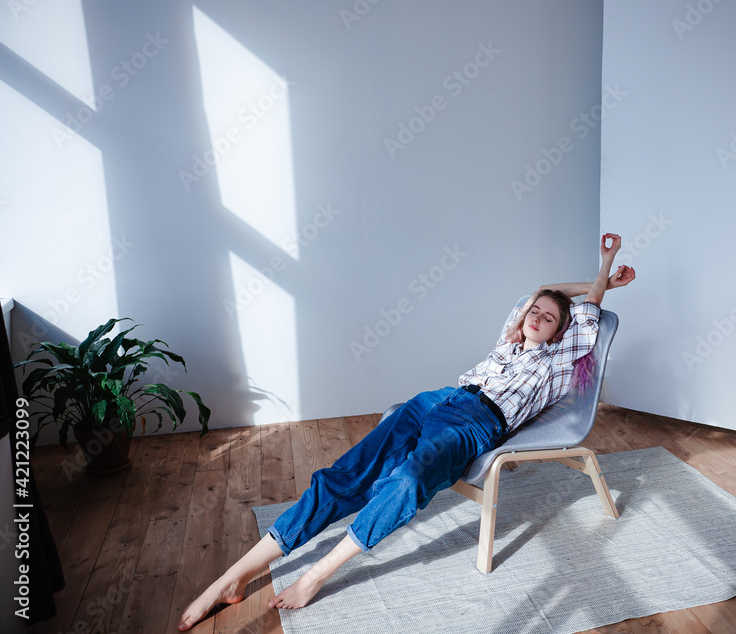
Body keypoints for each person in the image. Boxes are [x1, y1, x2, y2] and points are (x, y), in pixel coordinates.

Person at [178, 233, 636, 630]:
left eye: (548, 317)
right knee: (340, 479)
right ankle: (231, 577)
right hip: (433, 401)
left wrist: (604, 269)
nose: (535, 316)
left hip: (478, 423)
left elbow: (586, 309)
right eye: (534, 312)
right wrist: (587, 284)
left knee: (408, 482)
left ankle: (317, 573)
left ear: (562, 333)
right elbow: (540, 289)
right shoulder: (508, 340)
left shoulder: (559, 361)